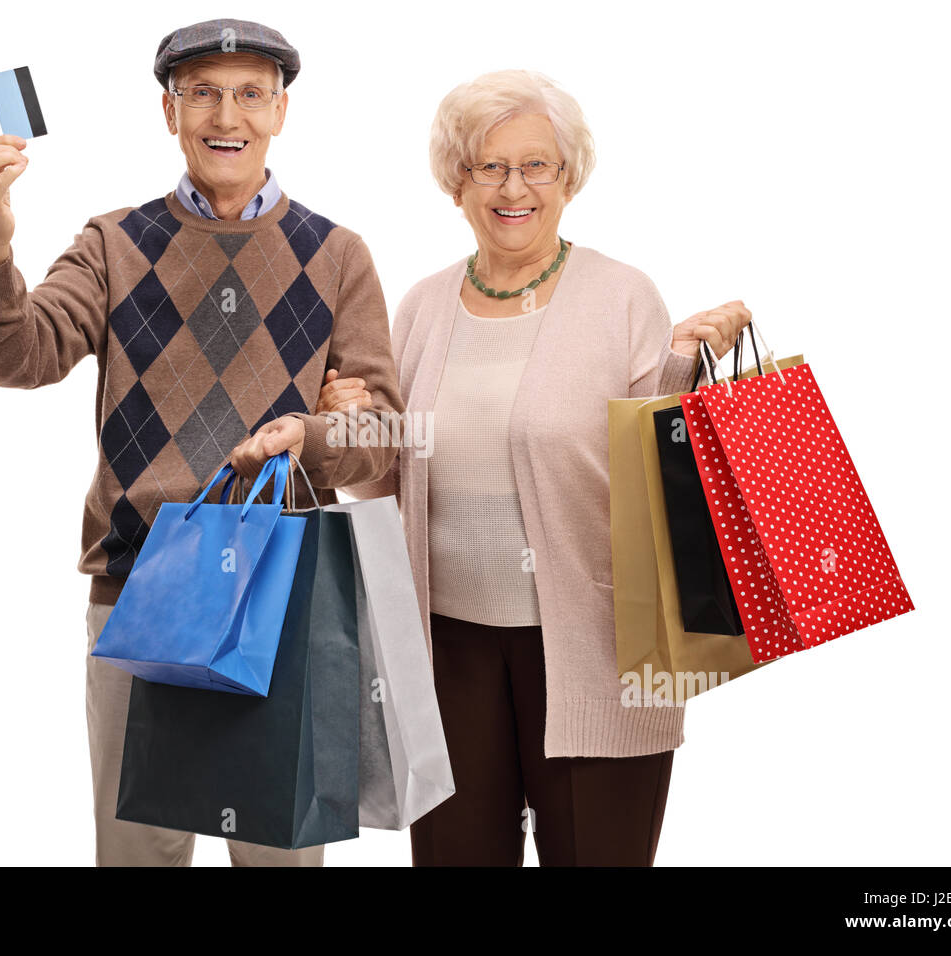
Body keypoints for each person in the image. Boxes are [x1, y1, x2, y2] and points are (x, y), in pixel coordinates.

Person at [0, 18, 402, 867]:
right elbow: (14, 354)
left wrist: (311, 434)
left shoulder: (339, 256)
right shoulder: (114, 244)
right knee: (137, 857)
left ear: (279, 113)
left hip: (283, 594)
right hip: (140, 591)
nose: (224, 114)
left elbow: (381, 440)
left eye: (248, 94)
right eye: (201, 92)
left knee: (279, 851)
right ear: (169, 111)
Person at [338, 69, 752, 866]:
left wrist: (686, 364)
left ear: (569, 178)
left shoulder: (622, 297)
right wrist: (352, 427)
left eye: (537, 165)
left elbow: (659, 471)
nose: (513, 187)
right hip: (447, 648)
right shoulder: (422, 305)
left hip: (599, 644)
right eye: (488, 166)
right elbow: (381, 480)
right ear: (456, 183)